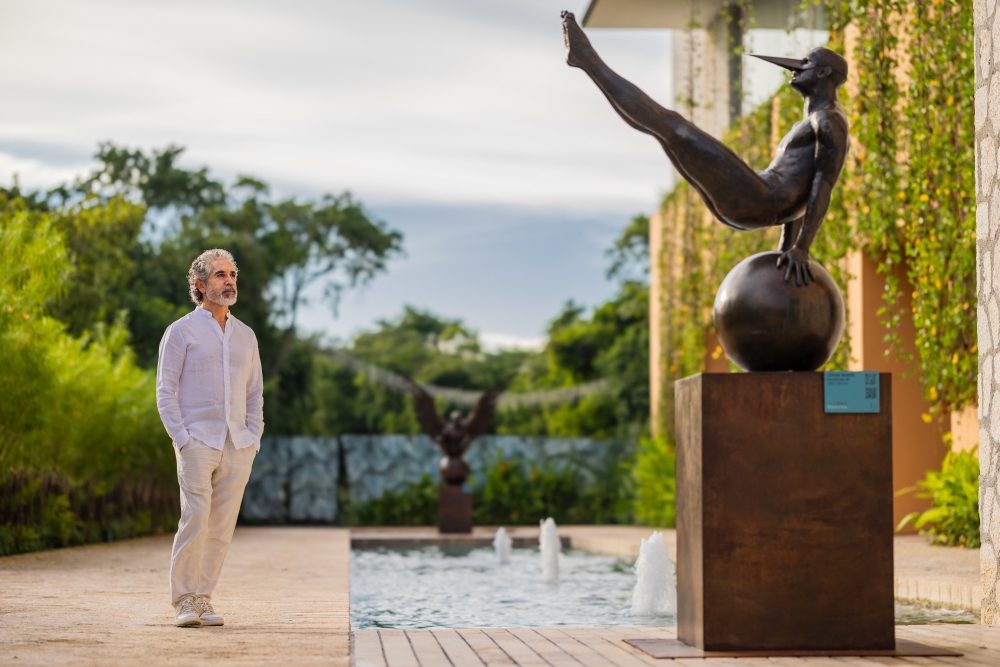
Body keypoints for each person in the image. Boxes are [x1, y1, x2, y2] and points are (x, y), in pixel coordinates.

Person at [560, 11, 849, 286]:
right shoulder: (812, 120)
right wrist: (786, 249)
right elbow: (801, 188)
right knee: (665, 133)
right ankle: (588, 62)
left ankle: (588, 61)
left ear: (823, 73)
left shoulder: (827, 120)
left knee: (671, 125)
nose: (794, 68)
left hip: (760, 198)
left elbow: (822, 185)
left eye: (804, 63)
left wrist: (801, 249)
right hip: (759, 198)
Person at [156, 248, 264, 627]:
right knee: (195, 516)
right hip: (198, 440)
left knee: (221, 525)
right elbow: (165, 391)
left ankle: (203, 597)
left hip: (238, 443)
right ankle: (183, 599)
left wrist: (253, 438)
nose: (229, 280)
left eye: (232, 274)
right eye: (220, 275)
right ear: (201, 285)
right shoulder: (180, 331)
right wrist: (182, 438)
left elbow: (255, 394)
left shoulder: (246, 336)